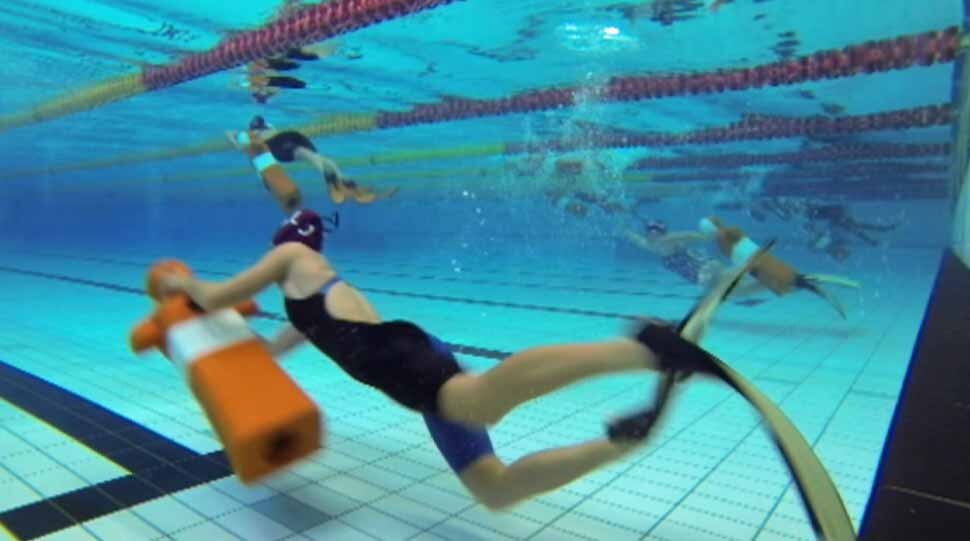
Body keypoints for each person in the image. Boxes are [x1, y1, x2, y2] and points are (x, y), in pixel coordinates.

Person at [156, 157, 719, 511]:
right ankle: (622, 440)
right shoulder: (310, 295)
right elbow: (277, 348)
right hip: (405, 364)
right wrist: (226, 348)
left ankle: (642, 349)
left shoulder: (293, 255)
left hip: (402, 359)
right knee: (494, 490)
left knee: (481, 403)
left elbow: (214, 293)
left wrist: (181, 285)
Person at [226, 115, 398, 212]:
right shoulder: (270, 126)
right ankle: (347, 184)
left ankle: (334, 181)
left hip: (278, 147)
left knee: (311, 158)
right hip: (292, 137)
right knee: (320, 159)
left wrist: (235, 142)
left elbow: (231, 134)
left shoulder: (247, 136)